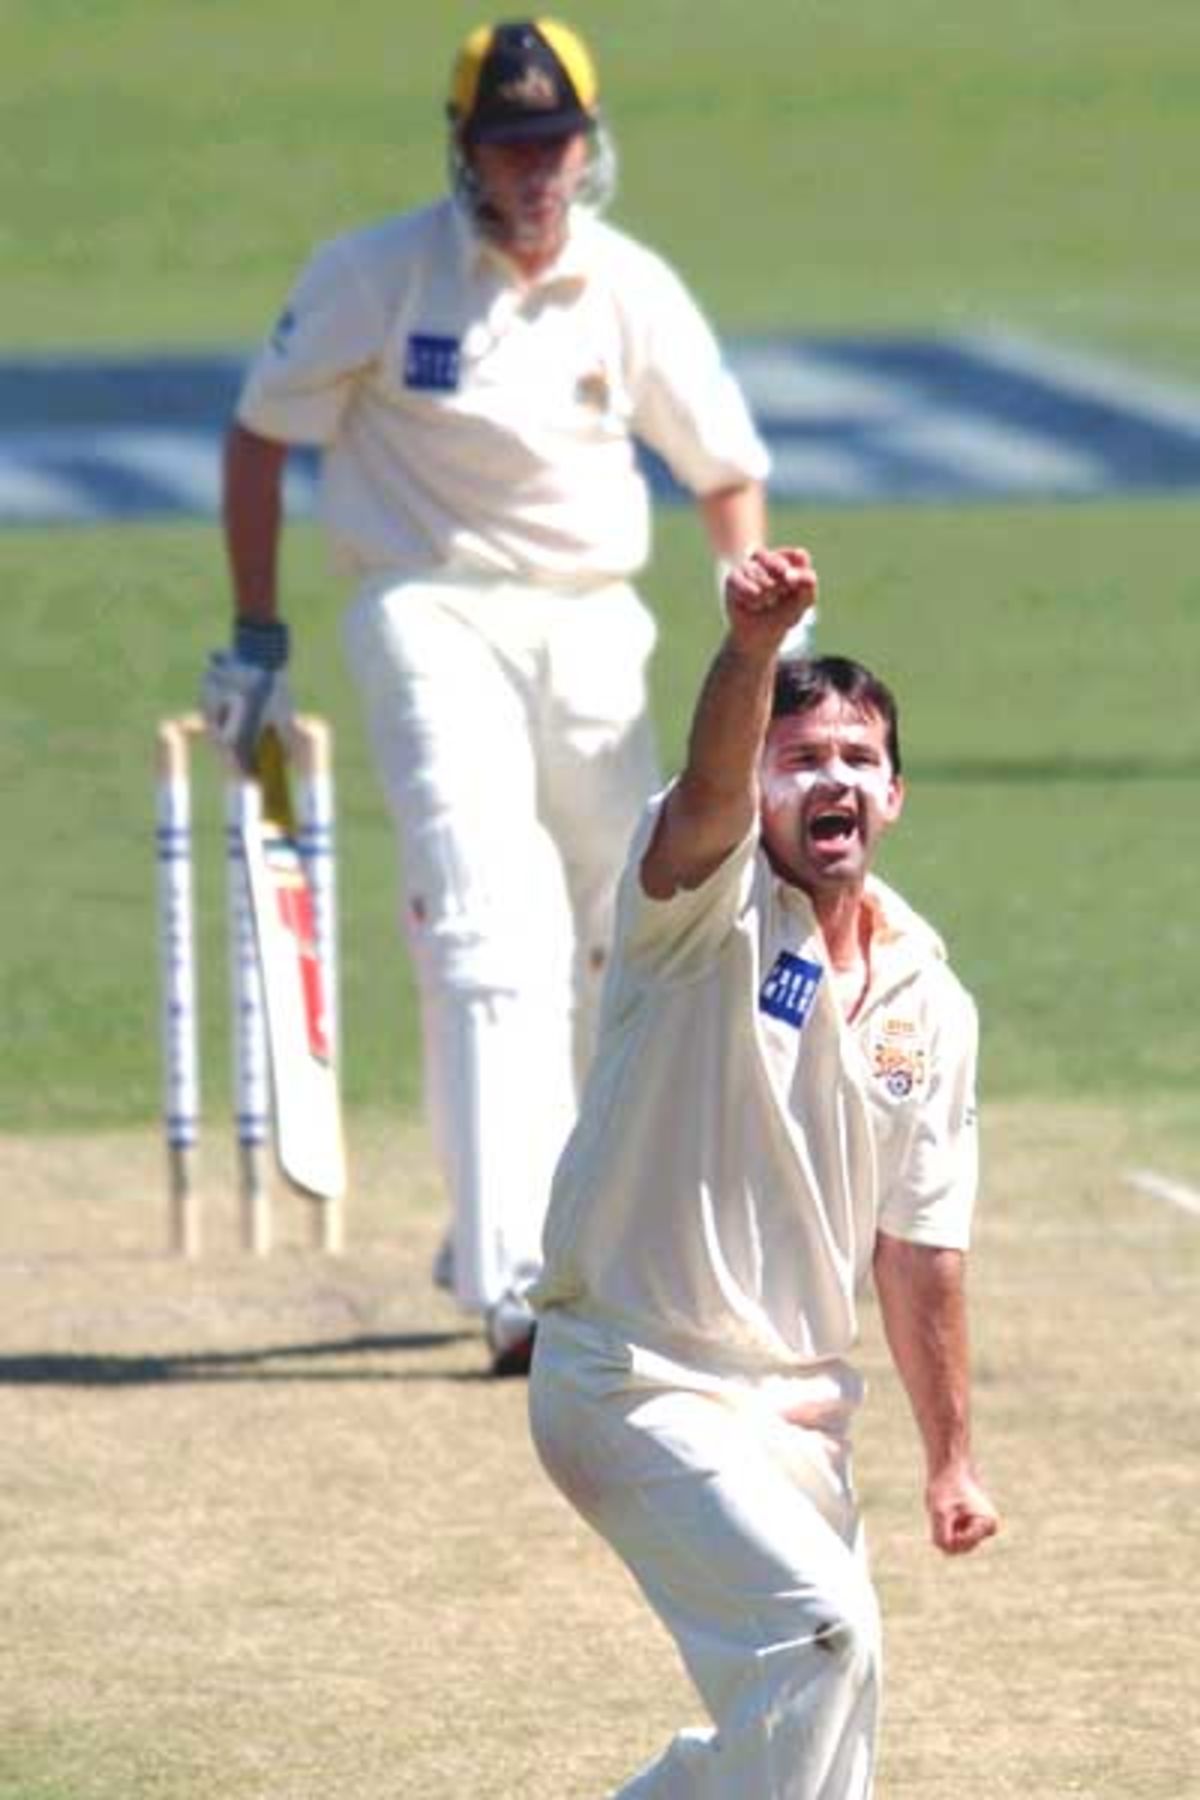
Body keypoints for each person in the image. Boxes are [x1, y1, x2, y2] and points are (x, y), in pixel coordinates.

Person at [202, 19, 791, 1374]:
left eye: (555, 144)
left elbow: (724, 471)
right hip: (427, 603)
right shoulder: (375, 276)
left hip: (592, 620)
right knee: (485, 919)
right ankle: (515, 1277)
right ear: (464, 150)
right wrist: (255, 633)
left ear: (589, 148)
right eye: (509, 145)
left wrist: (765, 648)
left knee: (619, 926)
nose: (535, 171)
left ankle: (594, 1231)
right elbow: (259, 433)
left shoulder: (629, 287)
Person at [527, 546, 999, 1796]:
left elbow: (921, 1247)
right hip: (633, 1374)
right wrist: (750, 650)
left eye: (858, 757)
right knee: (817, 1637)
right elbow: (704, 796)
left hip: (800, 1409)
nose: (832, 777)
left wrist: (950, 1455)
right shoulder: (698, 909)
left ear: (894, 794)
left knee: (830, 1710)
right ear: (758, 784)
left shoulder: (930, 999)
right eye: (799, 758)